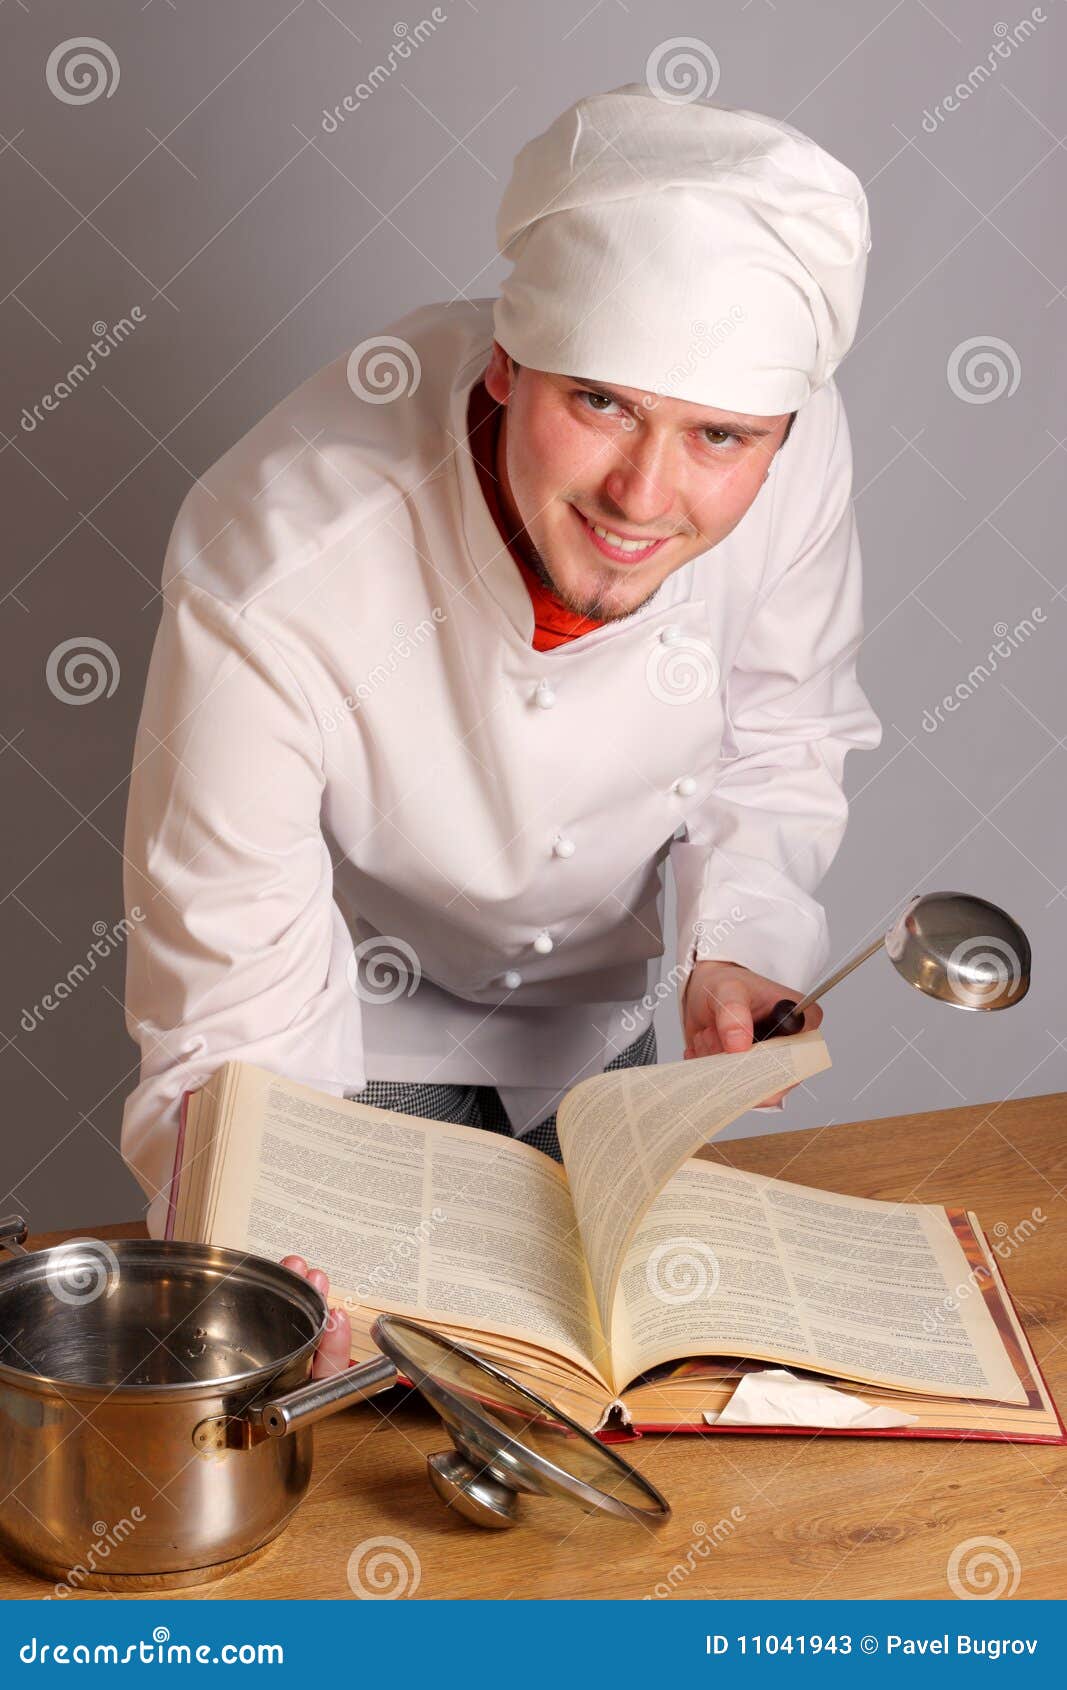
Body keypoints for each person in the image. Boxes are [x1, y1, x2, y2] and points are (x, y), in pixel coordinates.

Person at [119, 84, 881, 1366]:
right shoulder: (277, 560)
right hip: (353, 1020)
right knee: (364, 1387)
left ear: (777, 432)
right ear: (507, 360)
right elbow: (229, 998)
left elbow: (780, 730)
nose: (646, 493)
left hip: (602, 1038)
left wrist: (736, 938)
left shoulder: (796, 453)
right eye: (598, 404)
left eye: (718, 436)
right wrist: (282, 1261)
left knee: (623, 1384)